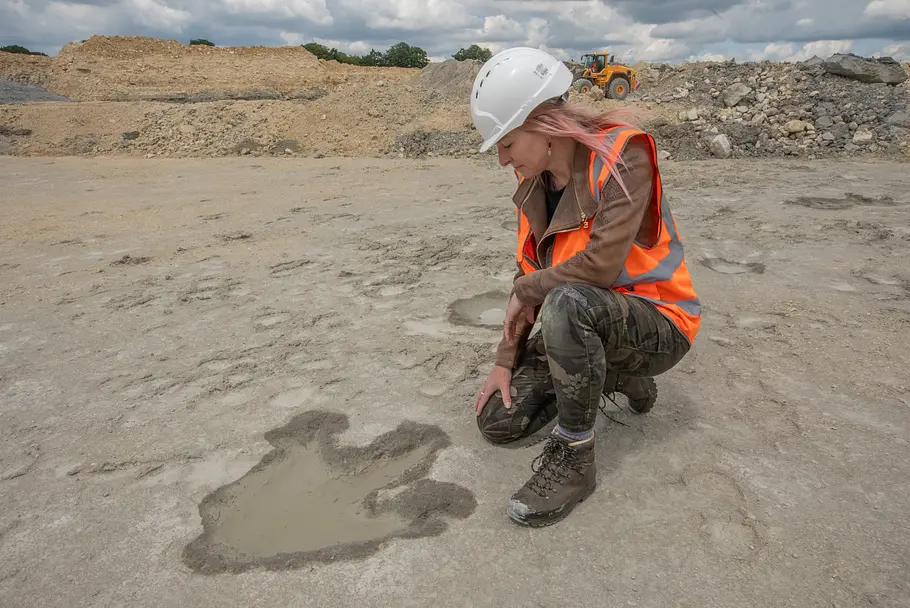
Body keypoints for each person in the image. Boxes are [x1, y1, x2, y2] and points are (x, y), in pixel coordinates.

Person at [469, 47, 702, 527]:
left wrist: (530, 288)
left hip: (658, 323)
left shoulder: (622, 155)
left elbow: (598, 268)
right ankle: (614, 375)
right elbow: (527, 277)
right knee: (498, 421)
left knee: (567, 301)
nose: (501, 159)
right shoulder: (533, 185)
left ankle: (575, 457)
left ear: (544, 124)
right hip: (581, 317)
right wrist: (504, 361)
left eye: (507, 143)